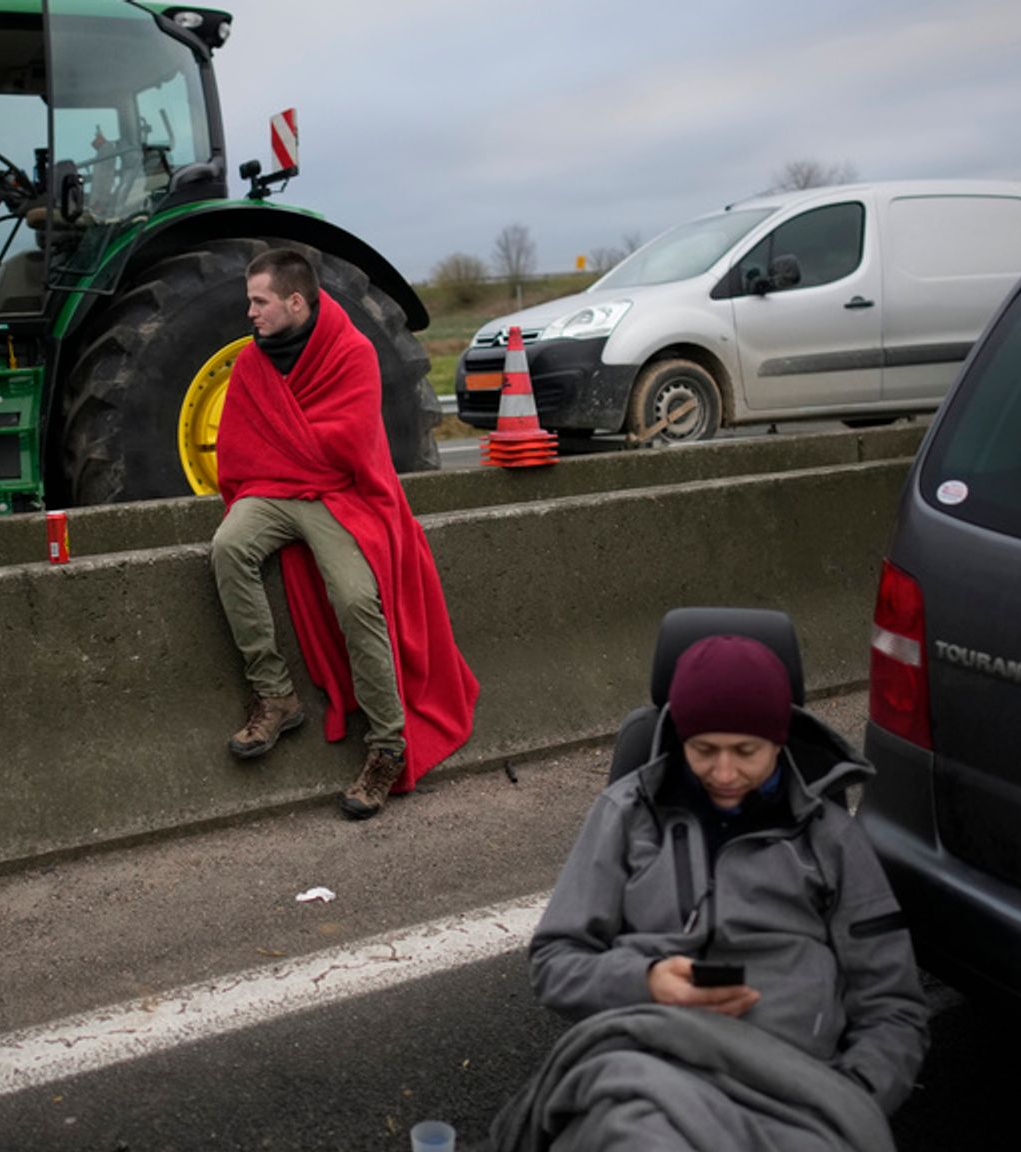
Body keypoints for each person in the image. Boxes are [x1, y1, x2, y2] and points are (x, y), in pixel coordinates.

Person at [501, 634, 928, 1147]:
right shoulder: (626, 815)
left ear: (780, 740)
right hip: (649, 1067)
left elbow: (893, 1007)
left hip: (795, 1087)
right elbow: (554, 961)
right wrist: (646, 981)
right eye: (703, 750)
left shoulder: (832, 838)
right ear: (681, 738)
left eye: (747, 752)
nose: (724, 773)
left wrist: (852, 1091)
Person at [210, 248, 478, 819]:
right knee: (228, 547)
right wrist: (283, 462)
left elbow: (350, 444)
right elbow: (240, 442)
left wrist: (291, 454)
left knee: (356, 599)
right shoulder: (255, 362)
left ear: (295, 301)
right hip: (274, 488)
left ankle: (387, 743)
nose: (251, 313)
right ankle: (276, 695)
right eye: (249, 302)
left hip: (336, 495)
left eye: (260, 302)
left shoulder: (351, 351)